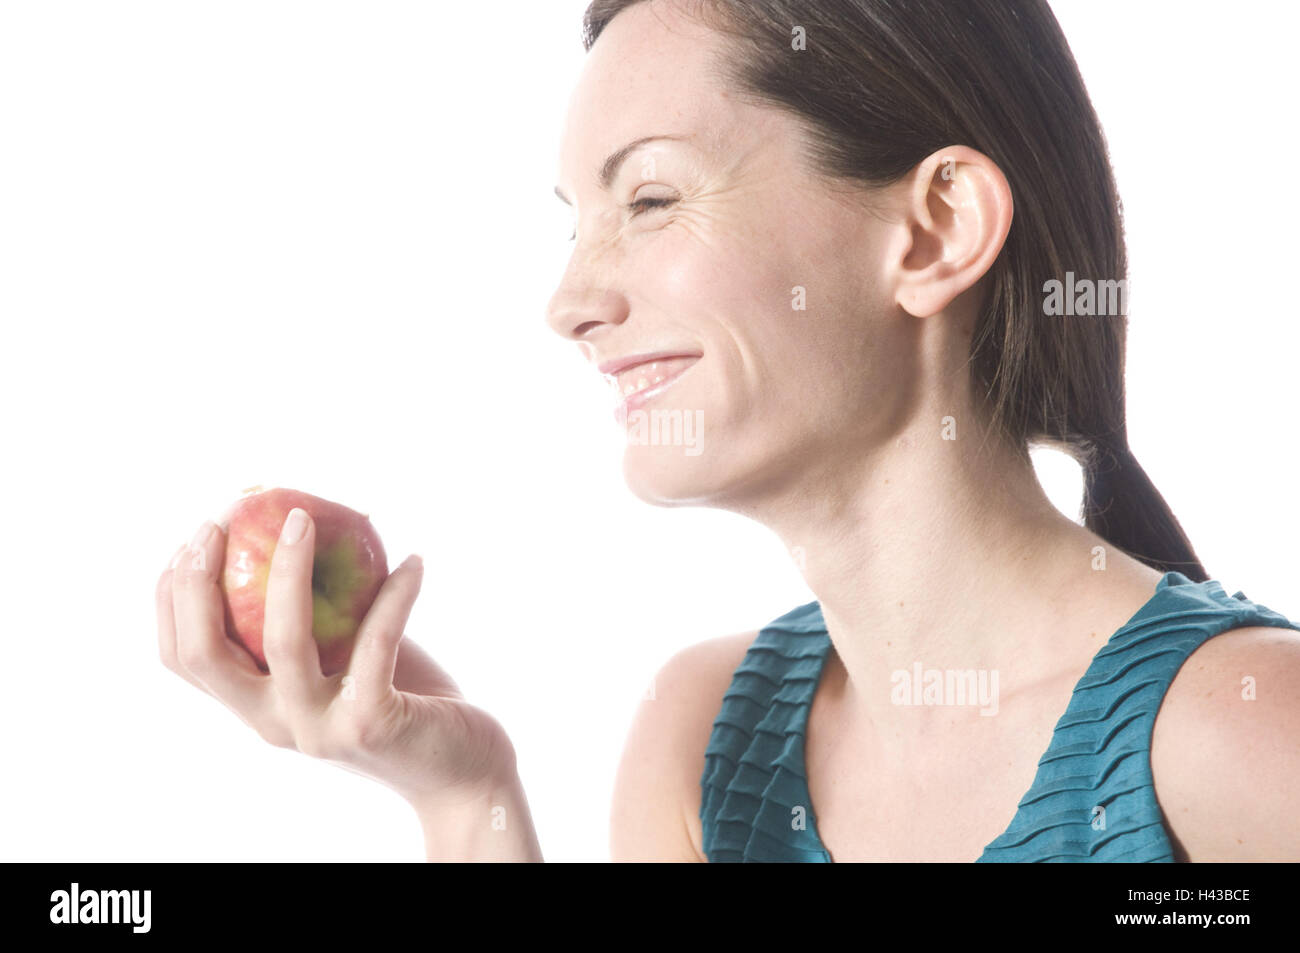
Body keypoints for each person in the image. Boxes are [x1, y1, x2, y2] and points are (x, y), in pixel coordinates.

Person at [155, 0, 1300, 862]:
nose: (569, 304)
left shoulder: (1242, 736)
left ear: (934, 229)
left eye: (648, 200)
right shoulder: (704, 743)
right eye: (577, 226)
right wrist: (467, 796)